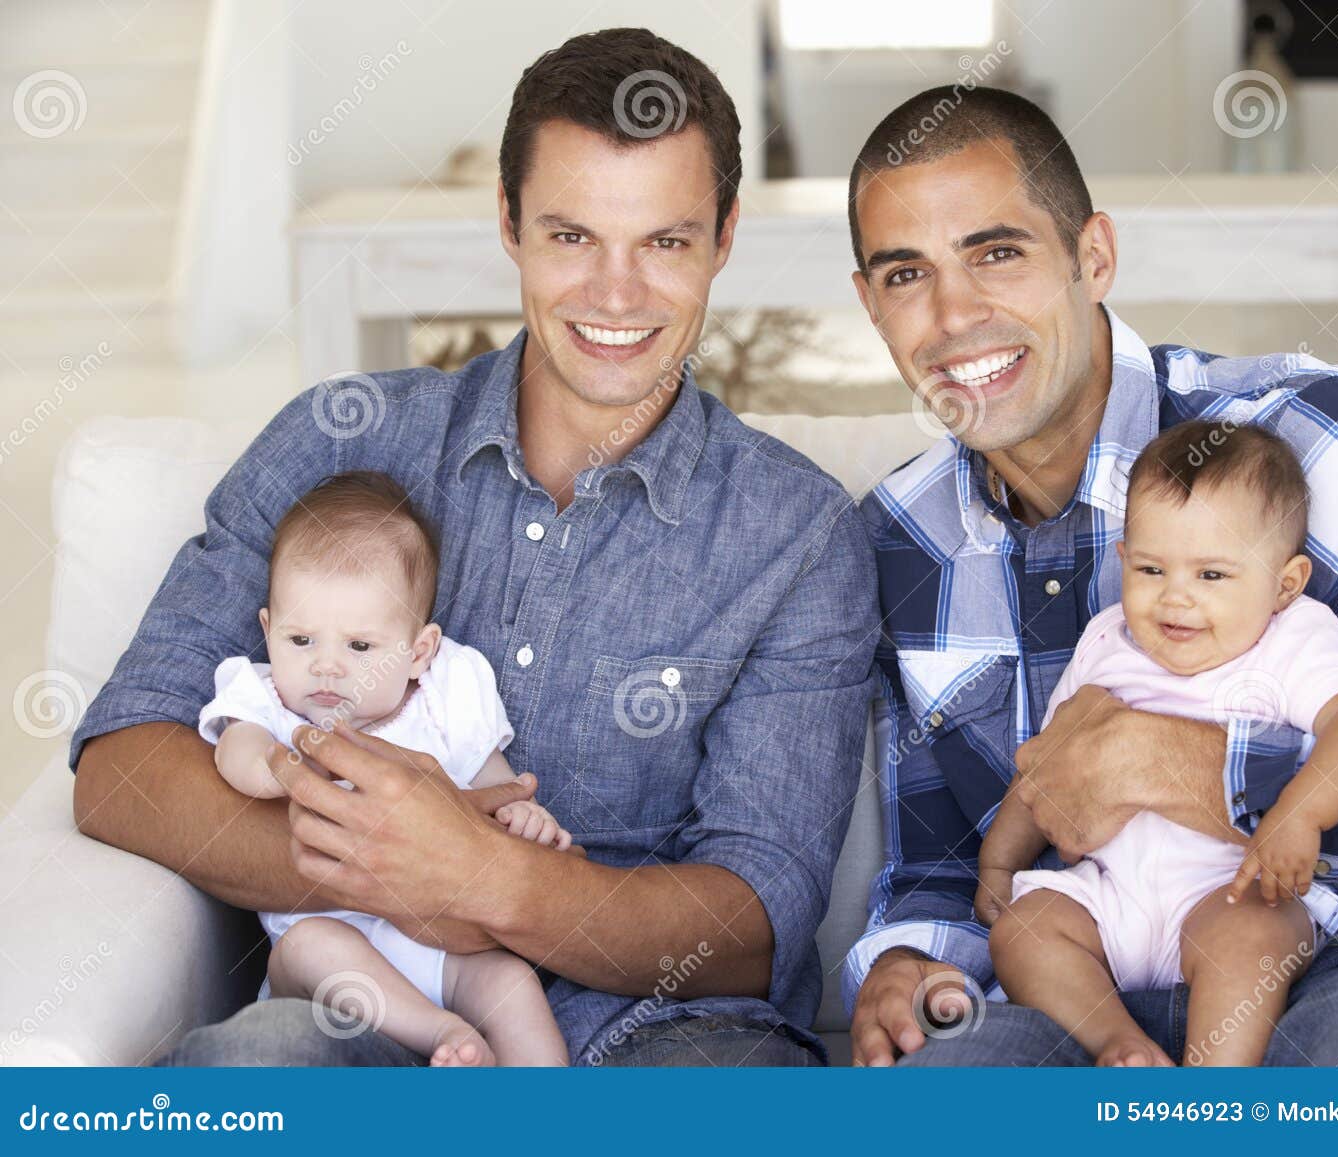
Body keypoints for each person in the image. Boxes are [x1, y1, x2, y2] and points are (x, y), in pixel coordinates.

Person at [71, 28, 878, 1067]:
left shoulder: (797, 533)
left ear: (723, 237)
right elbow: (121, 764)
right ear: (508, 224)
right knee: (253, 1068)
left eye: (664, 242)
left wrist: (487, 881)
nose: (616, 294)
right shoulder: (338, 439)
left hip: (667, 1034)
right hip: (359, 992)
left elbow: (755, 918)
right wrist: (387, 870)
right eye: (571, 235)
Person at [842, 85, 1338, 1067]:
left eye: (995, 252)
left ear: (1092, 255)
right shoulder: (899, 536)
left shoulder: (1305, 441)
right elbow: (942, 870)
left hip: (1334, 965)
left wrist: (1197, 768)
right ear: (869, 303)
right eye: (906, 274)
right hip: (1074, 986)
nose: (952, 315)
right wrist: (907, 964)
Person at [980, 422, 1338, 1067]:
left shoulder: (1291, 641)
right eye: (1151, 568)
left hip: (1226, 893)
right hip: (1110, 897)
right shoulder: (1106, 642)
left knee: (1258, 933)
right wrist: (999, 866)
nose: (1175, 596)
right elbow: (1044, 770)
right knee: (1024, 931)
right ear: (1122, 559)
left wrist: (1302, 813)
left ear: (1285, 585)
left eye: (1211, 573)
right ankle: (1119, 1043)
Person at [201, 471, 571, 1067]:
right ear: (268, 631)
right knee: (306, 945)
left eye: (360, 648)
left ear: (419, 651)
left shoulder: (447, 689)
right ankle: (444, 1034)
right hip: (335, 959)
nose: (325, 668)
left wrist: (521, 814)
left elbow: (492, 779)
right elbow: (233, 750)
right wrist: (279, 767)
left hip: (447, 945)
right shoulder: (266, 700)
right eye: (300, 640)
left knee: (511, 984)